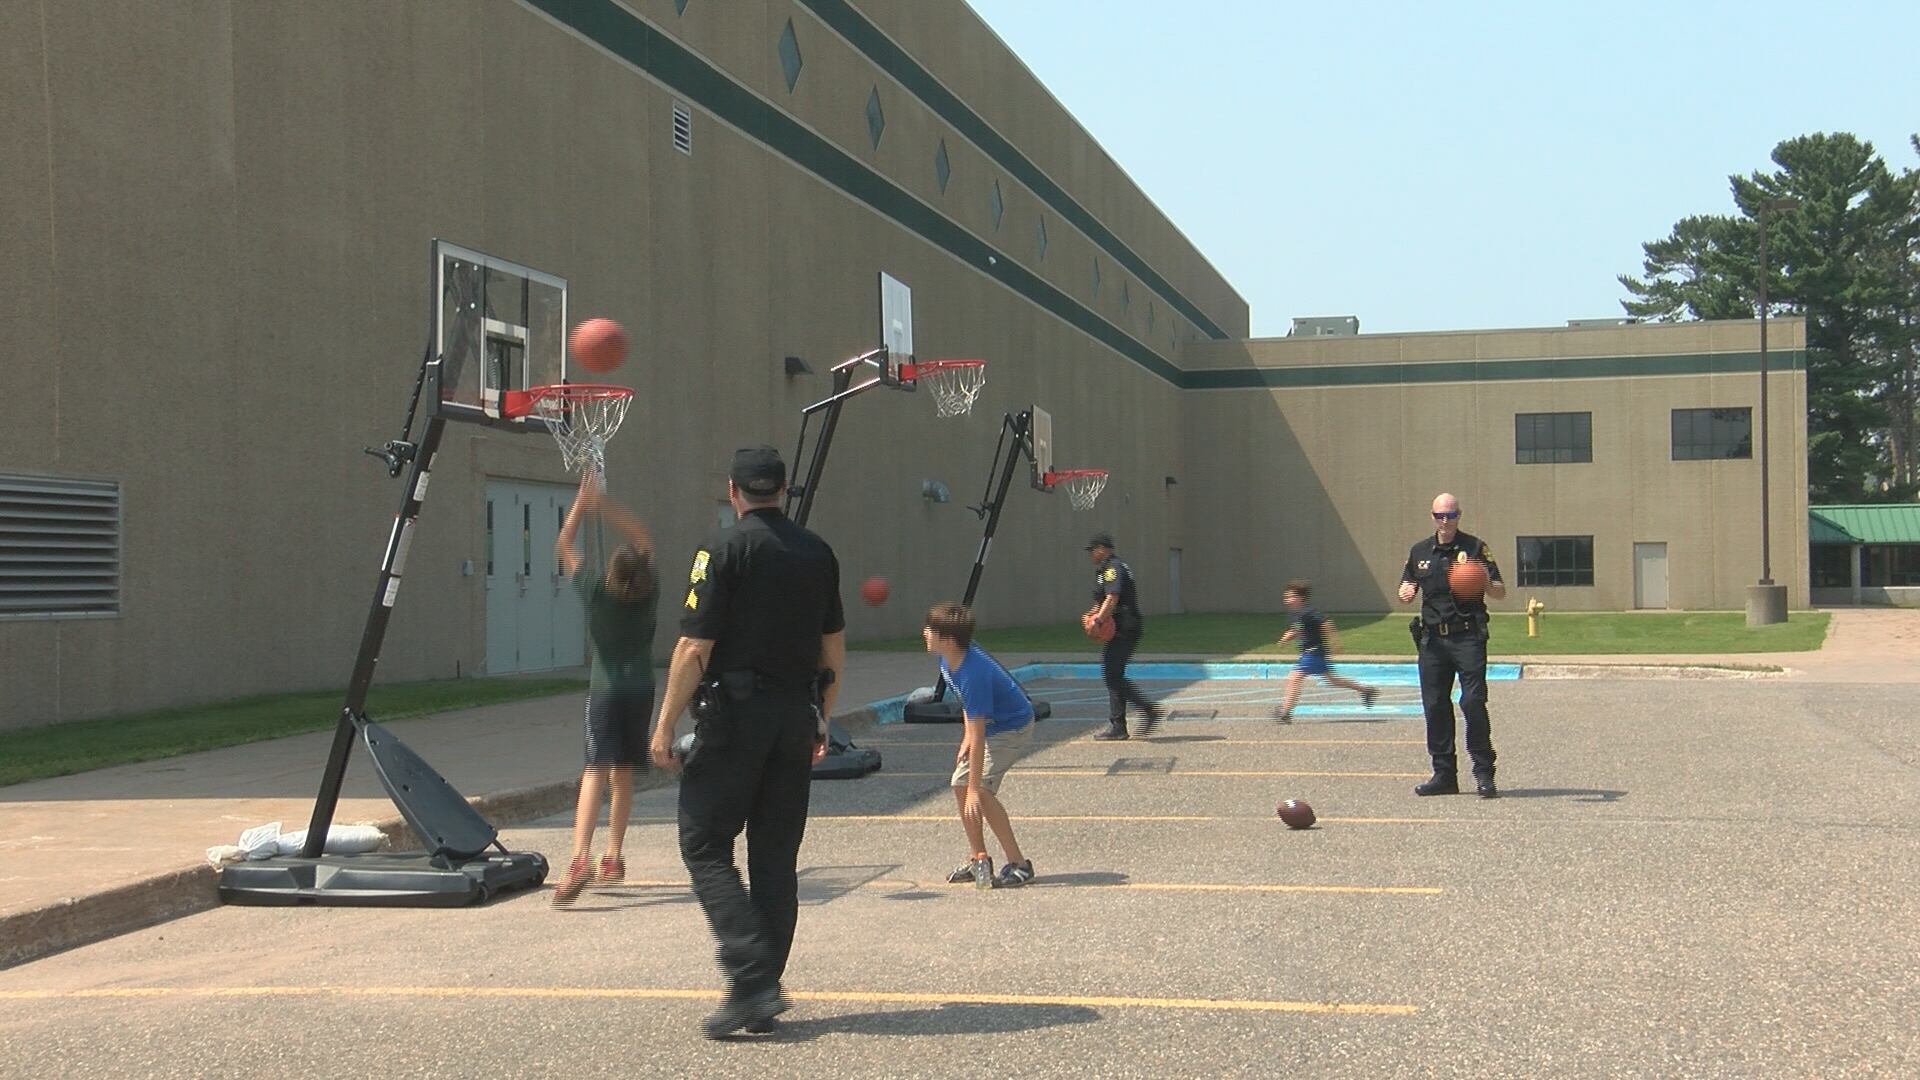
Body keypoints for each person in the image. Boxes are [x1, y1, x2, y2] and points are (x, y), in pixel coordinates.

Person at [650, 446, 845, 1039]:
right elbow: (832, 648)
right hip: (793, 716)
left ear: (733, 492)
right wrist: (821, 718)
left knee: (704, 842)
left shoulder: (722, 549)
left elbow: (693, 647)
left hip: (735, 716)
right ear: (782, 490)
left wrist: (663, 724)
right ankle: (762, 990)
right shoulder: (818, 552)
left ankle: (752, 975)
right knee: (774, 857)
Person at [550, 472, 659, 906]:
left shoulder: (597, 592)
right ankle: (613, 855)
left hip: (607, 690)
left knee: (595, 769)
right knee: (624, 772)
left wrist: (583, 501)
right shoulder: (649, 593)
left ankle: (580, 857)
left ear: (611, 572)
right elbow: (643, 536)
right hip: (642, 690)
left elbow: (564, 546)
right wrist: (608, 505)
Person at [1397, 493, 1505, 798]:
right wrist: (1405, 591)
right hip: (1432, 640)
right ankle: (1444, 775)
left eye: (1452, 515)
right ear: (1432, 517)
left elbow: (1500, 592)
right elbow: (1406, 587)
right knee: (1434, 706)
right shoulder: (1419, 551)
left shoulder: (1475, 548)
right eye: (1440, 516)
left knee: (1472, 701)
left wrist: (1482, 579)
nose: (1446, 521)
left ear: (1460, 515)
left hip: (1467, 637)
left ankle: (1484, 772)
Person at [922, 602, 1036, 890]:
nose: (924, 632)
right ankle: (978, 859)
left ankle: (1019, 865)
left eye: (930, 629)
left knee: (980, 792)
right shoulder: (947, 658)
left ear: (946, 639)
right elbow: (967, 707)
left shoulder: (974, 672)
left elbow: (980, 727)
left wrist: (975, 788)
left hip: (1011, 727)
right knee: (958, 785)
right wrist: (967, 738)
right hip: (988, 726)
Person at [1084, 533, 1162, 740]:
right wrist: (1091, 616)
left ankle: (1142, 713)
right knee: (1112, 673)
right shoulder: (1106, 570)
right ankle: (1121, 724)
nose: (1091, 555)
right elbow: (1102, 600)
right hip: (1121, 627)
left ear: (1101, 548)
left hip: (1125, 627)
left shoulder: (1112, 568)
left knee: (1112, 673)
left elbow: (1112, 597)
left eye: (1092, 550)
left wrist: (1099, 622)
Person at [1272, 580, 1376, 724]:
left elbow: (1326, 623)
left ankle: (1285, 712)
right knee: (1332, 680)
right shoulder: (1295, 614)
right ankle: (1366, 690)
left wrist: (1335, 643)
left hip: (1314, 651)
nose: (1287, 600)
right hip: (1308, 652)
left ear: (1300, 598)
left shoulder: (1308, 612)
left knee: (1294, 678)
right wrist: (1288, 636)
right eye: (1286, 597)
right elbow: (1298, 628)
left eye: (1290, 596)